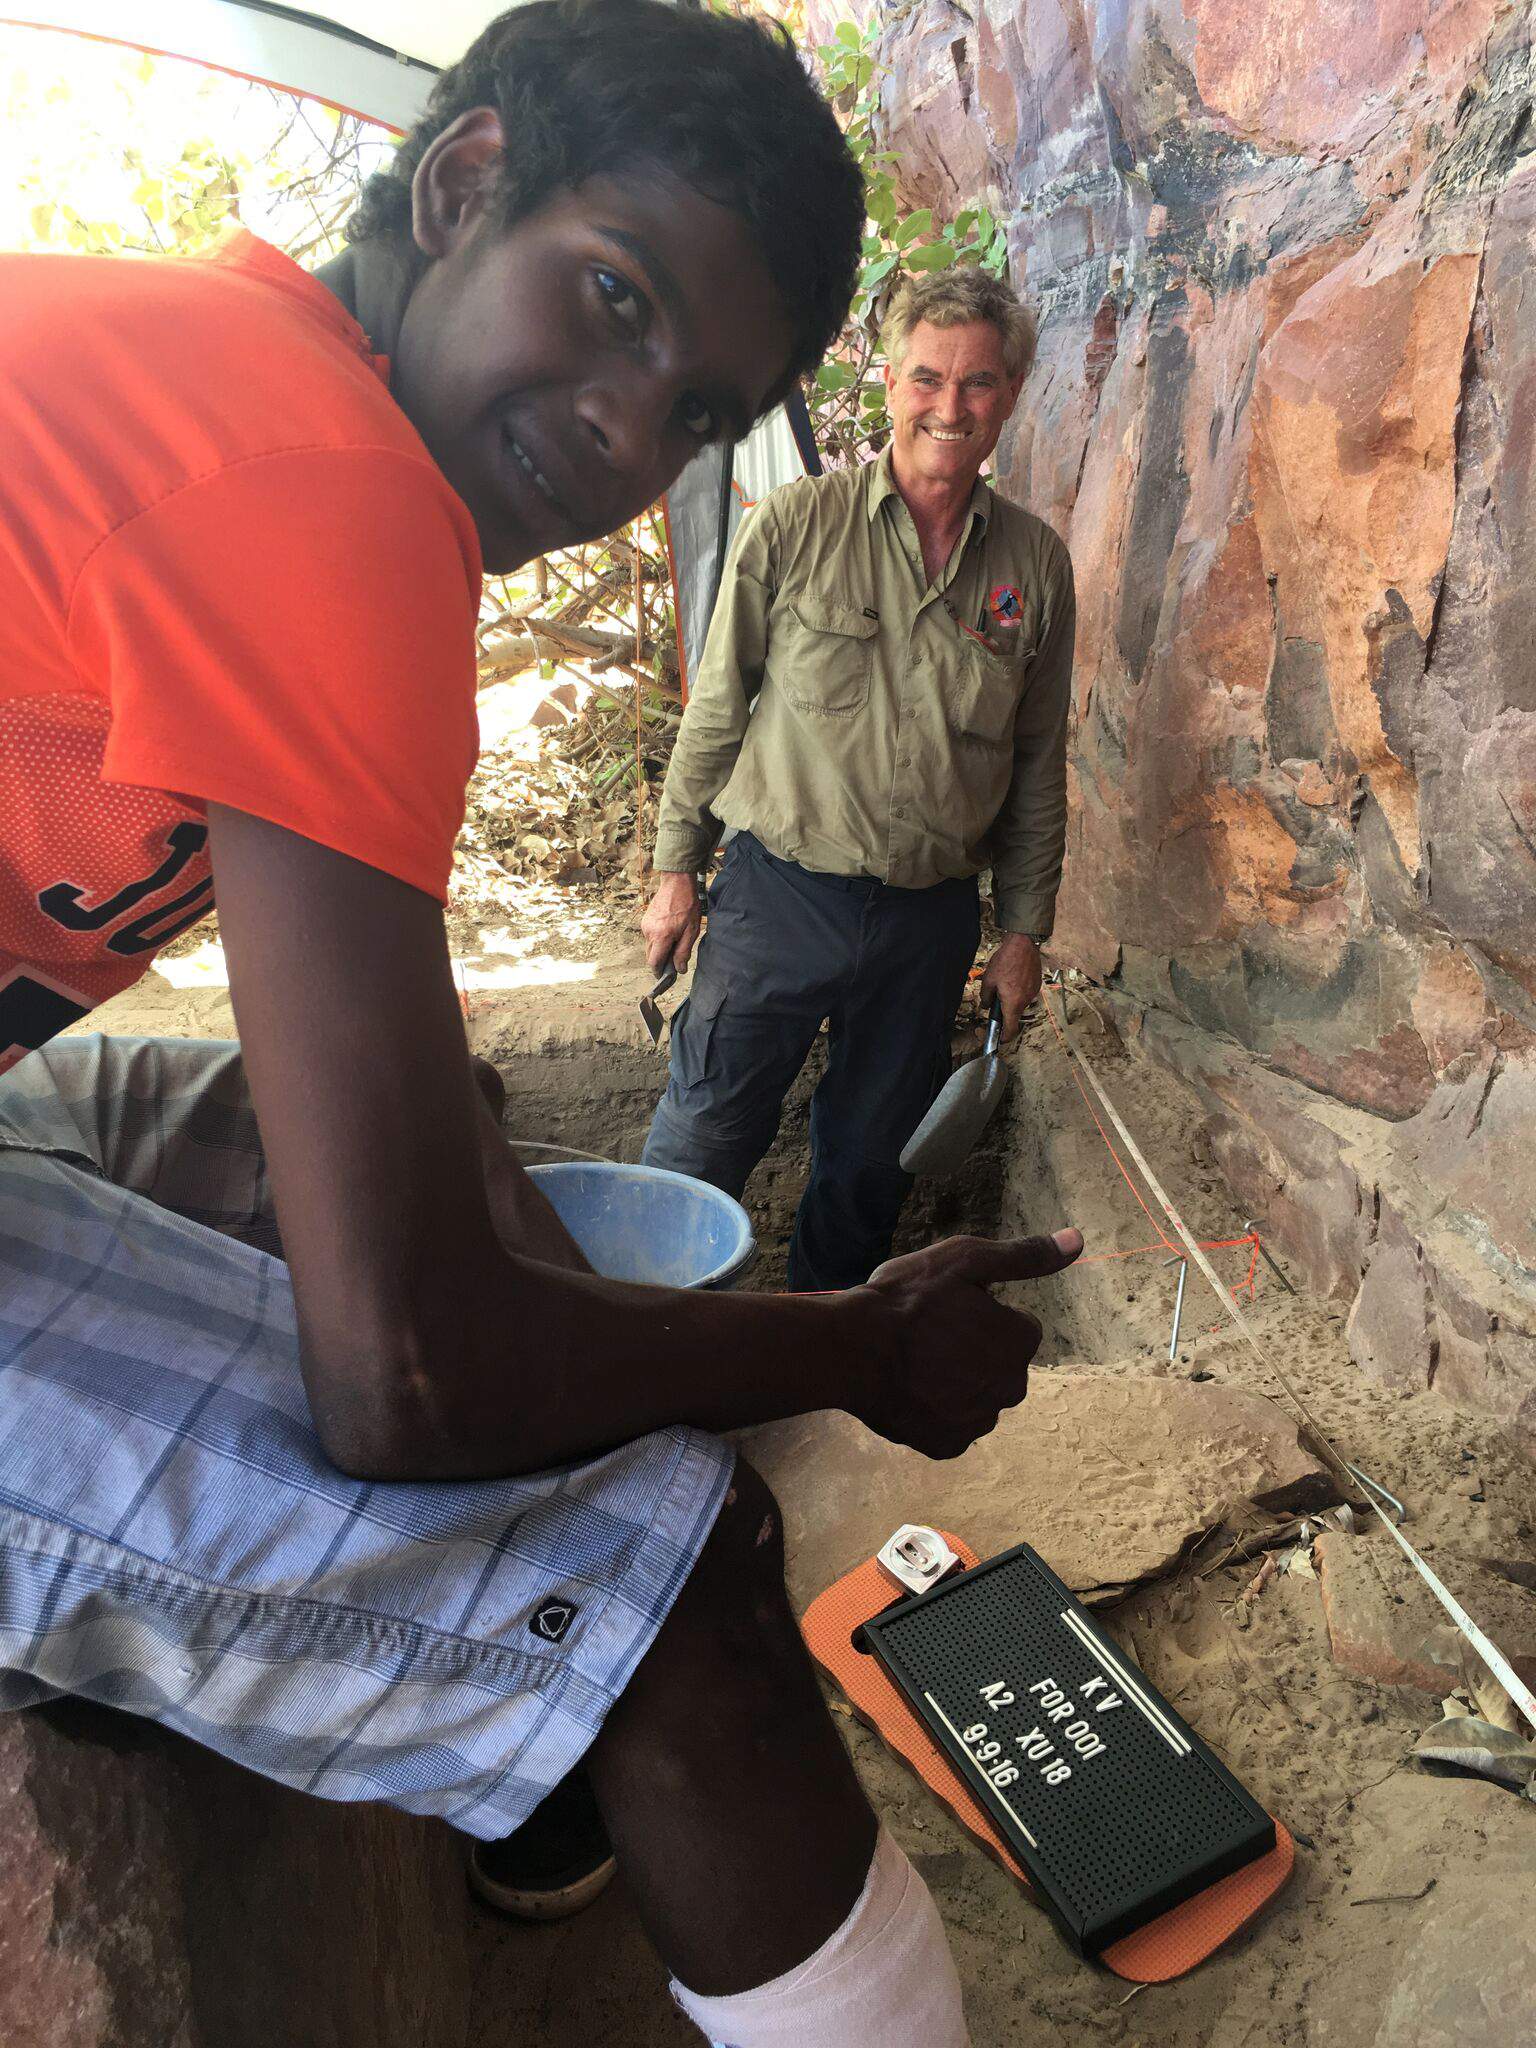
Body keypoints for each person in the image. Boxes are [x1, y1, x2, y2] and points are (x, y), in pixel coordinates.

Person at [0, 8, 1082, 2042]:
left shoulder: (228, 385)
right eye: (611, 302)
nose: (619, 429)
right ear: (461, 179)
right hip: (790, 897)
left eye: (691, 407)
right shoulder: (321, 486)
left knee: (386, 1142)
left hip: (913, 908)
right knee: (680, 1580)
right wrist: (855, 1344)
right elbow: (399, 1377)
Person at [641, 268, 1076, 1294]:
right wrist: (674, 869)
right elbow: (717, 709)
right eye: (929, 377)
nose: (951, 406)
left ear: (1009, 394)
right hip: (777, 896)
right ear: (889, 382)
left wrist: (1022, 938)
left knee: (869, 1168)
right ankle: (642, 1325)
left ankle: (824, 1358)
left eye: (977, 384)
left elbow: (1037, 763)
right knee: (706, 1131)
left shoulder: (1036, 567)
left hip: (926, 928)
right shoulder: (797, 526)